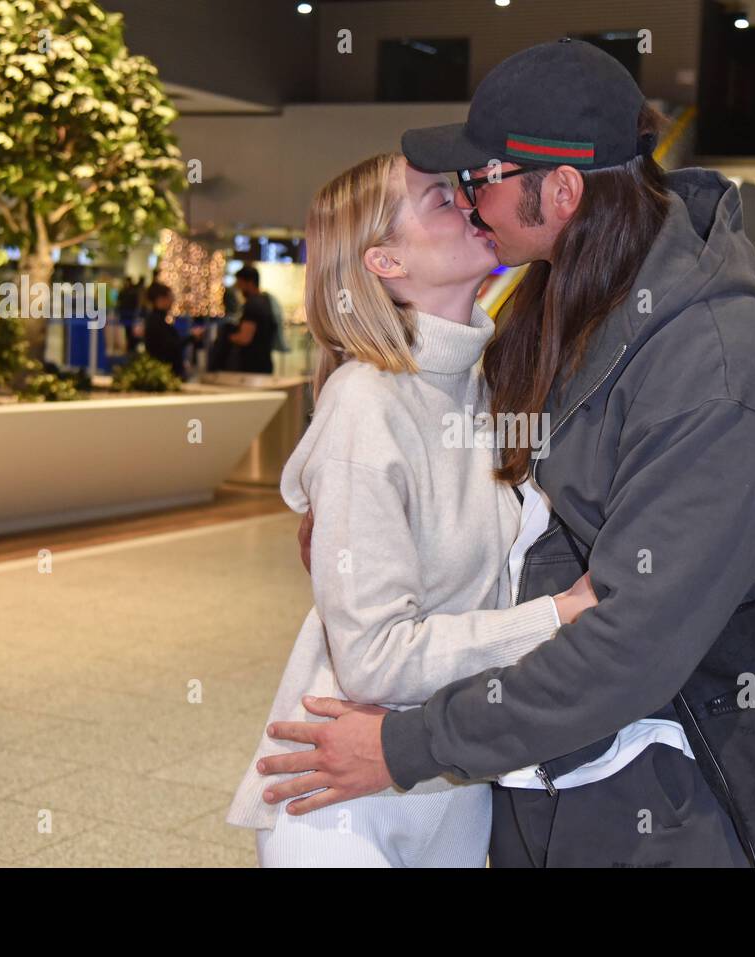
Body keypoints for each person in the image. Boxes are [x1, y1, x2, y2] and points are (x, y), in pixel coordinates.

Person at [255, 39, 755, 868]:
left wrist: (408, 745)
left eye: (481, 181)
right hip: (534, 779)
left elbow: (629, 647)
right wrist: (359, 530)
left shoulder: (720, 382)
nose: (472, 204)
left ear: (561, 189)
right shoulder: (557, 300)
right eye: (451, 193)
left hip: (668, 798)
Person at [225, 153, 597, 867]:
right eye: (438, 202)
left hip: (451, 776)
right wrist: (554, 618)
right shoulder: (367, 405)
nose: (469, 204)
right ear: (386, 260)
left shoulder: (484, 387)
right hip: (339, 798)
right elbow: (369, 658)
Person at [140, 281, 201, 379]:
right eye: (170, 297)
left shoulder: (157, 319)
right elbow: (171, 346)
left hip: (164, 372)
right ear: (160, 299)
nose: (172, 300)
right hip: (165, 373)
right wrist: (191, 337)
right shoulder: (157, 321)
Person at [229, 266, 278, 374]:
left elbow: (244, 338)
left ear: (249, 282)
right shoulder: (265, 300)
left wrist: (228, 337)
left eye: (240, 283)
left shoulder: (252, 304)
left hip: (252, 368)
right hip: (264, 364)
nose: (238, 287)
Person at [116, 276, 144, 353]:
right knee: (128, 331)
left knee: (131, 331)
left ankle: (131, 347)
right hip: (127, 315)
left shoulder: (130, 292)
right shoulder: (127, 291)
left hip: (130, 315)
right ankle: (130, 347)